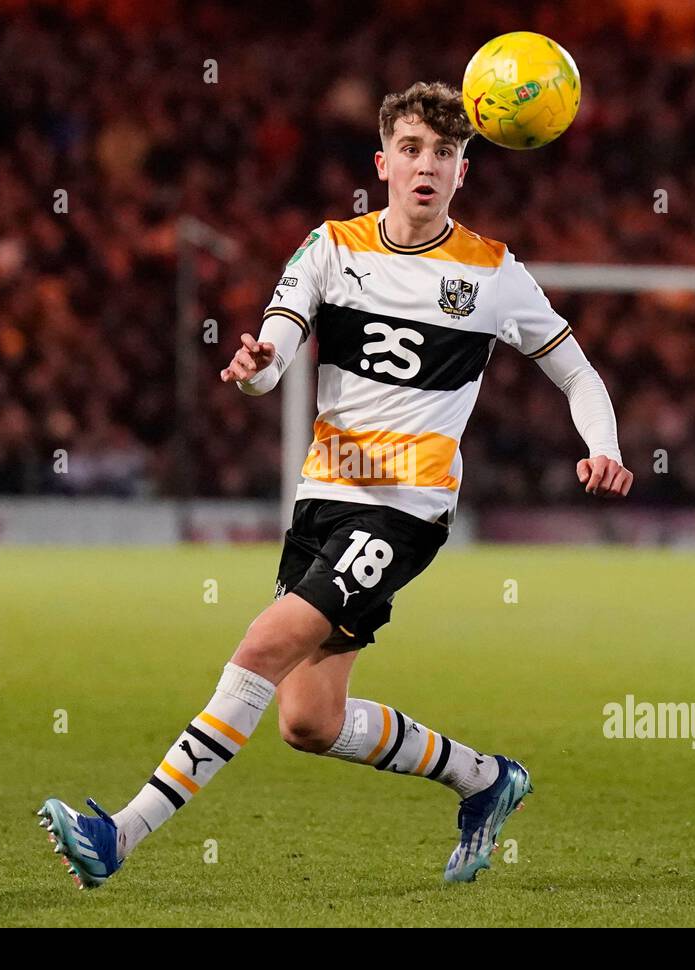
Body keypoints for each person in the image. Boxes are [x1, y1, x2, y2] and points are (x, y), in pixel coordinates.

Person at [38, 81, 633, 888]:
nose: (430, 166)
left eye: (448, 154)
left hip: (404, 512)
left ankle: (120, 834)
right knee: (309, 721)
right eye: (415, 150)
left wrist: (602, 444)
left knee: (261, 644)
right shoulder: (330, 247)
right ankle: (485, 779)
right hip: (323, 500)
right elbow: (274, 351)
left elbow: (576, 371)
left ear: (466, 173)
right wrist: (254, 370)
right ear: (383, 161)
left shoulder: (493, 273)